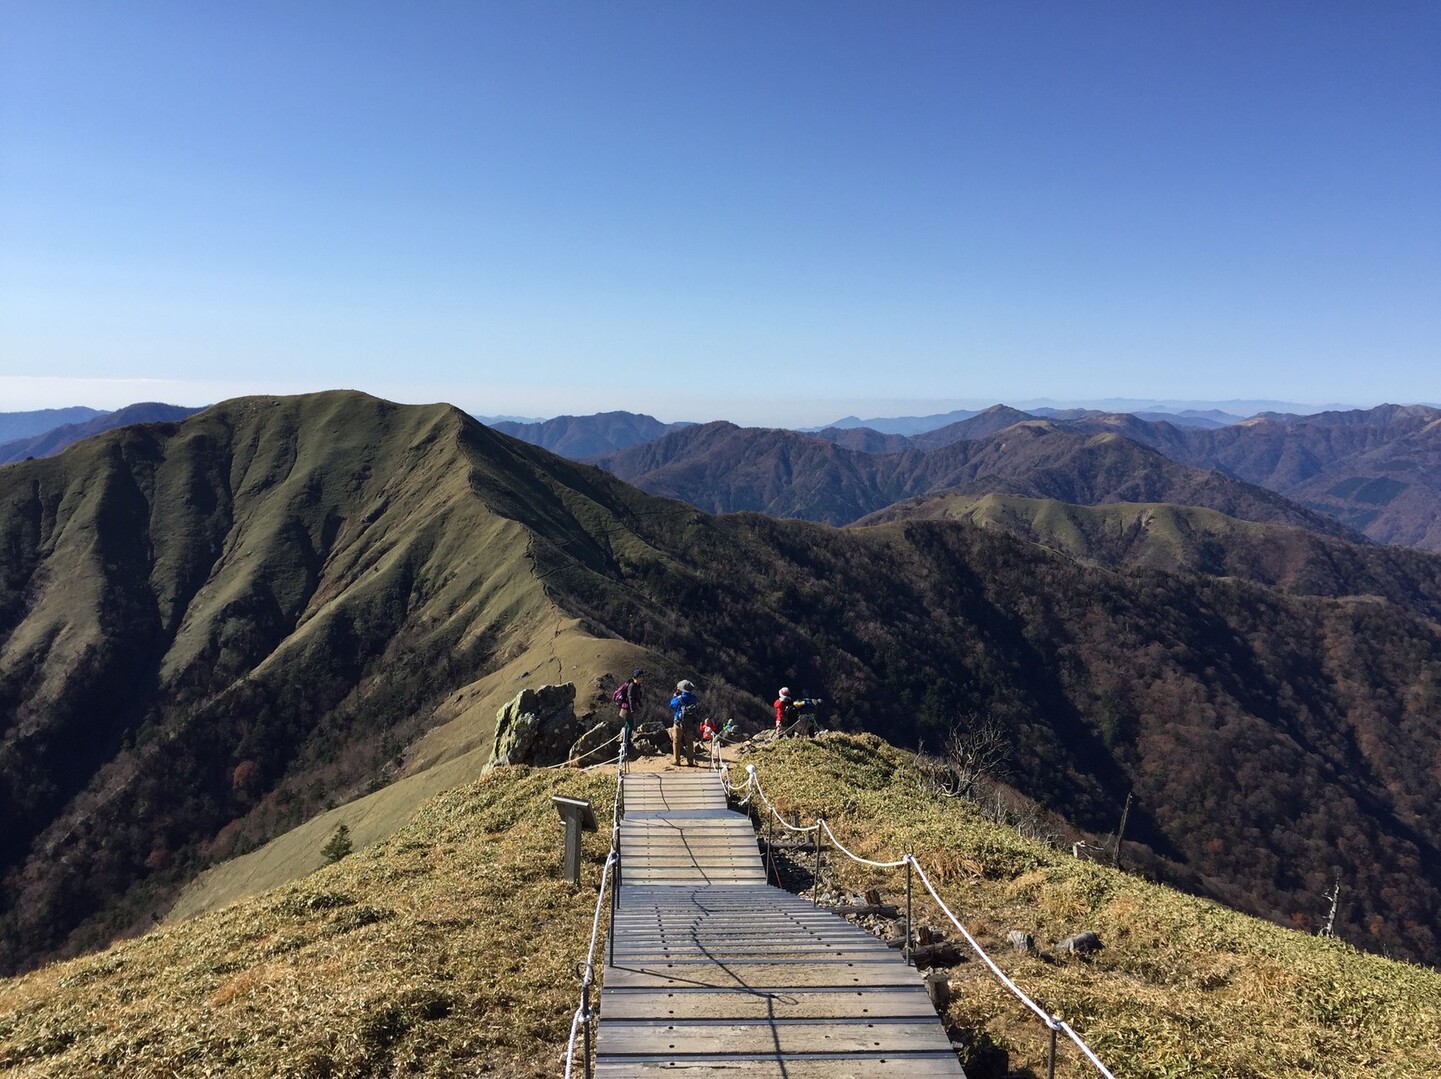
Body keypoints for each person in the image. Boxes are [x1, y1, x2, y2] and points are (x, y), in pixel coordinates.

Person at [613, 669, 643, 755]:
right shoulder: (632, 686)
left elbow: (637, 696)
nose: (642, 678)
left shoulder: (636, 685)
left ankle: (625, 739)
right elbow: (630, 697)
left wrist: (639, 703)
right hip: (627, 709)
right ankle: (627, 741)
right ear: (636, 677)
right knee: (630, 724)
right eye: (640, 677)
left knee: (627, 724)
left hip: (627, 708)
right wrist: (632, 708)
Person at [670, 679, 699, 766]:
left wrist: (674, 696)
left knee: (676, 741)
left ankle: (676, 760)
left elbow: (672, 705)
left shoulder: (678, 699)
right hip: (690, 723)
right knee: (689, 741)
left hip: (678, 722)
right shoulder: (694, 698)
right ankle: (690, 760)